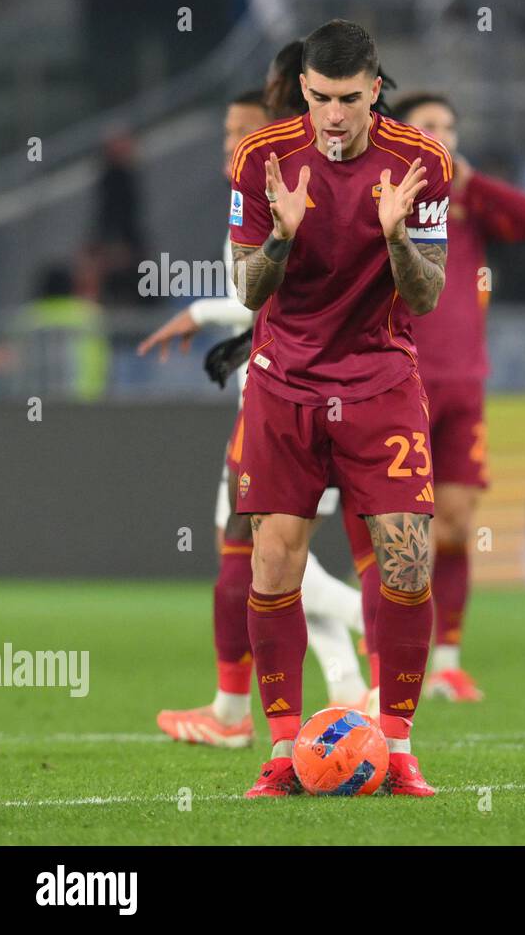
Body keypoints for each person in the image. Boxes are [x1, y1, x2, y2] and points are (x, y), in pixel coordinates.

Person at [228, 19, 450, 797]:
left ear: (375, 89)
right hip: (283, 381)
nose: (331, 115)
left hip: (380, 379)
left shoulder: (422, 164)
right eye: (318, 97)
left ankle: (396, 743)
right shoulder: (261, 160)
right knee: (273, 560)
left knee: (406, 559)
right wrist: (281, 237)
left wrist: (396, 237)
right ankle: (286, 751)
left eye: (348, 99)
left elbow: (426, 293)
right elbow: (246, 290)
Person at [138, 82, 368, 749]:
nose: (227, 151)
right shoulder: (263, 190)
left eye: (238, 135)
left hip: (292, 401)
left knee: (253, 555)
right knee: (261, 553)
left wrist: (209, 315)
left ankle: (237, 710)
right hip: (282, 393)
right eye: (225, 138)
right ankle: (346, 679)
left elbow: (268, 294)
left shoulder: (286, 187)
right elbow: (260, 298)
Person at [392, 92, 525, 702]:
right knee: (399, 529)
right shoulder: (387, 198)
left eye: (449, 126)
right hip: (399, 378)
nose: (442, 135)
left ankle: (449, 662)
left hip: (464, 380)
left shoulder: (468, 198)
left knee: (456, 525)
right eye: (427, 126)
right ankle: (384, 658)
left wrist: (473, 181)